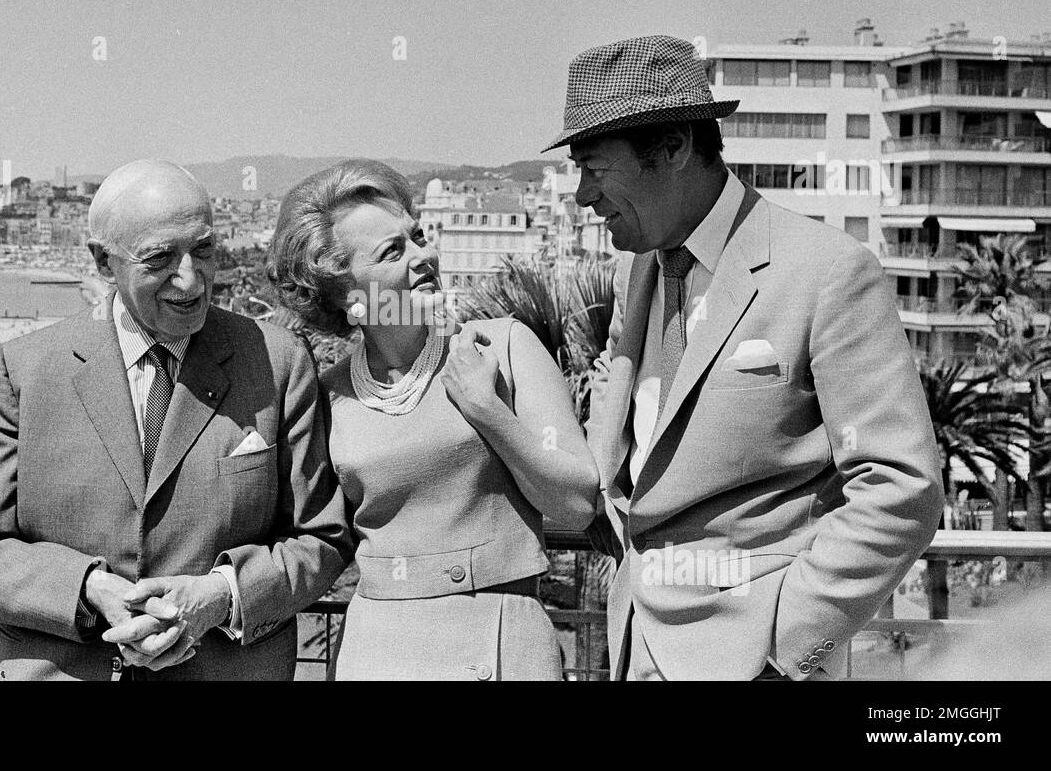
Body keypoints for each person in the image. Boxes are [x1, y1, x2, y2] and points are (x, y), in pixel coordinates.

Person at [543, 36, 944, 680]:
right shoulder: (636, 275)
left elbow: (902, 488)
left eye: (593, 165)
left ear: (673, 148)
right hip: (631, 647)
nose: (582, 194)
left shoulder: (826, 272)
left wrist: (785, 648)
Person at [0, 159, 352, 680]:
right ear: (101, 261)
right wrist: (90, 590)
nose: (191, 278)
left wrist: (221, 595)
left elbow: (323, 539)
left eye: (203, 250)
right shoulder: (21, 372)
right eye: (159, 258)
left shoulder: (276, 362)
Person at [268, 158, 598, 680]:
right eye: (394, 251)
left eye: (418, 236)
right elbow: (314, 534)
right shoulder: (326, 394)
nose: (425, 256)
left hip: (499, 641)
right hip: (377, 650)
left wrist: (488, 411)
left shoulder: (503, 346)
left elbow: (577, 504)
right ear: (344, 293)